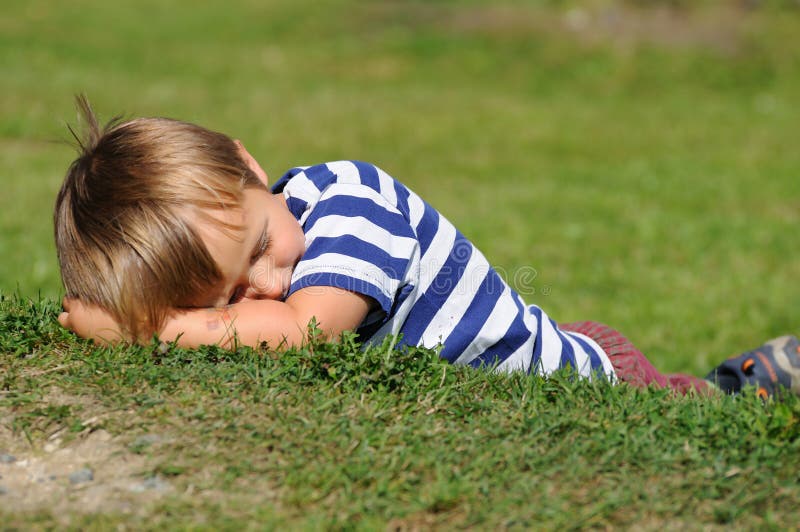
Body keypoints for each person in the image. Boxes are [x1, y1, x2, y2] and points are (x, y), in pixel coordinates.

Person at [55, 98, 800, 398]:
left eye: (258, 248)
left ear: (253, 168)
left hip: (590, 375)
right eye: (230, 299)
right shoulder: (281, 245)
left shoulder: (352, 204)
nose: (269, 283)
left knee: (701, 414)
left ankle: (753, 377)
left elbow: (295, 335)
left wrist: (149, 328)